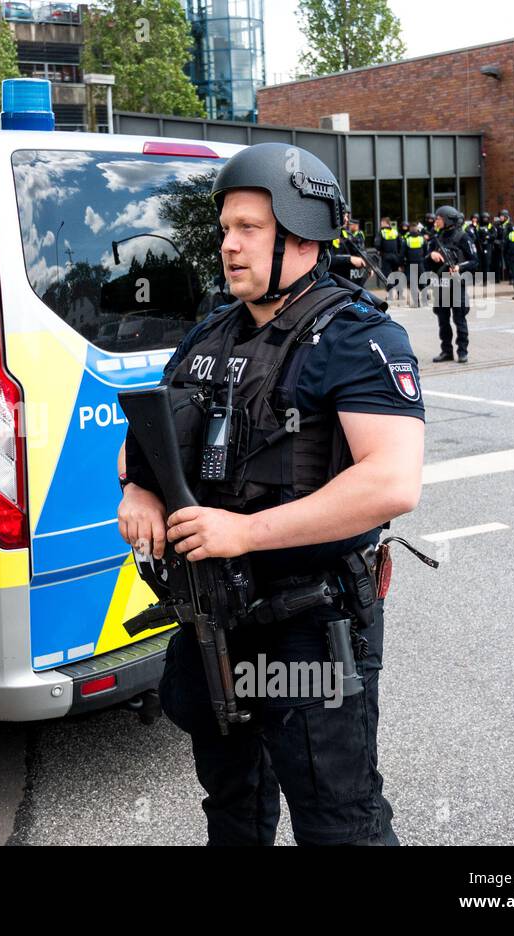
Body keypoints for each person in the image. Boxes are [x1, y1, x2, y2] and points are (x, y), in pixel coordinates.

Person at [116, 142, 426, 846]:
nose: (229, 245)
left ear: (301, 235)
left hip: (307, 622)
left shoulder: (358, 336)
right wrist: (138, 490)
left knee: (337, 818)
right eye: (225, 228)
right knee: (231, 804)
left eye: (249, 228)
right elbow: (147, 438)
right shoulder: (208, 335)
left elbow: (391, 481)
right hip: (214, 615)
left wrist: (244, 533)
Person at [426, 206, 478, 364]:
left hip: (456, 284)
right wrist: (431, 255)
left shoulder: (463, 237)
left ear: (447, 219)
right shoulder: (437, 237)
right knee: (442, 320)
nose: (436, 221)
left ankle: (462, 351)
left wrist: (459, 267)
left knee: (459, 319)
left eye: (438, 218)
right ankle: (446, 351)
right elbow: (425, 262)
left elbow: (475, 261)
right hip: (440, 284)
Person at [401, 218, 431, 308]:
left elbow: (402, 253)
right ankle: (425, 298)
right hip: (420, 263)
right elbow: (426, 250)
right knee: (422, 281)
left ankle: (416, 302)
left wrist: (401, 263)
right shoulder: (421, 239)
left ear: (410, 229)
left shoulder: (407, 240)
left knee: (413, 283)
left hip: (411, 263)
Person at [373, 217, 404, 300]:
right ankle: (400, 294)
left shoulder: (382, 232)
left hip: (386, 256)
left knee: (386, 276)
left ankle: (390, 293)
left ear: (384, 223)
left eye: (381, 223)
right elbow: (401, 244)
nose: (380, 224)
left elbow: (377, 244)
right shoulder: (395, 232)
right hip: (395, 257)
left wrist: (380, 250)